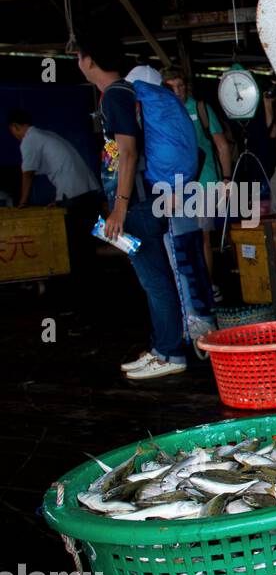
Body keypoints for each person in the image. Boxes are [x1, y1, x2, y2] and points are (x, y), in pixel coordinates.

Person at [77, 29, 188, 379]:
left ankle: (170, 353)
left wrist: (120, 207)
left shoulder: (115, 96)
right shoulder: (122, 93)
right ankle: (160, 348)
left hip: (137, 202)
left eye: (79, 55)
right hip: (141, 199)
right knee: (153, 278)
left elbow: (127, 151)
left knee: (155, 280)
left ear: (89, 60)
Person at [7, 108, 102, 278]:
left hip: (75, 194)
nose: (14, 136)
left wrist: (22, 203)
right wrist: (59, 200)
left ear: (15, 127)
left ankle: (82, 281)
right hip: (86, 190)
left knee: (75, 244)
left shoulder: (30, 140)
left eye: (12, 131)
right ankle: (91, 277)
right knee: (87, 242)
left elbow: (27, 174)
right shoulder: (46, 135)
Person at [164, 70, 233, 287]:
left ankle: (207, 286)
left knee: (202, 236)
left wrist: (226, 178)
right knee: (179, 237)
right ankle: (188, 288)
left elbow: (222, 145)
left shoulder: (200, 108)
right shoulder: (162, 112)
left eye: (181, 85)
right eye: (172, 87)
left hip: (205, 180)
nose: (178, 91)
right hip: (175, 184)